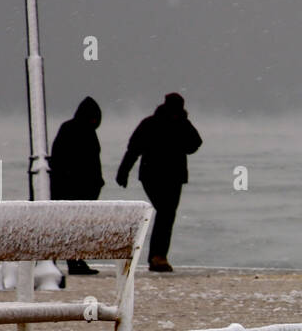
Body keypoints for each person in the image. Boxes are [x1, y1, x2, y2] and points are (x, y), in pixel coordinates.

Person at [116, 92, 202, 272]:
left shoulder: (180, 124)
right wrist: (123, 172)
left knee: (167, 214)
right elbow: (134, 149)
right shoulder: (151, 123)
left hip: (172, 176)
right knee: (166, 212)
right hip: (153, 176)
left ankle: (158, 257)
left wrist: (182, 129)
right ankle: (157, 257)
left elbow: (195, 143)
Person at [49, 96, 106, 275]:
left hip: (78, 187)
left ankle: (75, 260)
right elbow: (68, 161)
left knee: (76, 226)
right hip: (74, 187)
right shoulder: (76, 130)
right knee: (75, 225)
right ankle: (74, 261)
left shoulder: (77, 129)